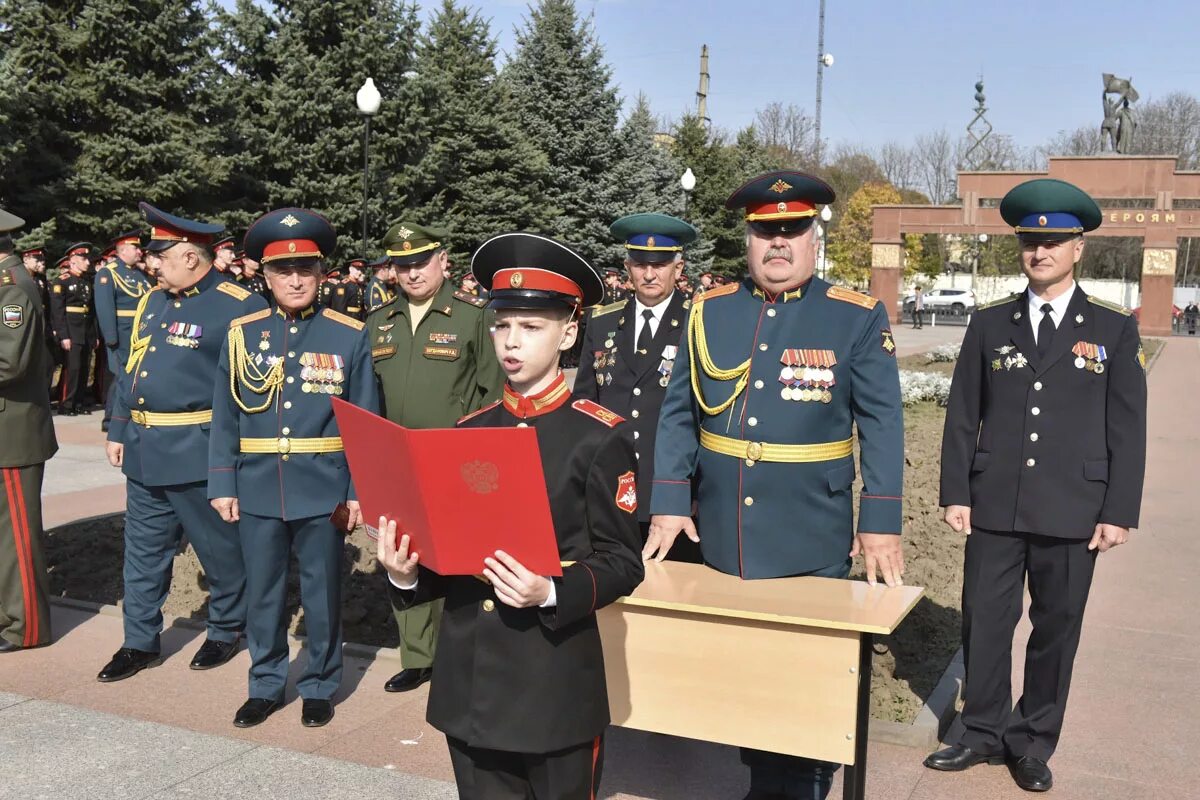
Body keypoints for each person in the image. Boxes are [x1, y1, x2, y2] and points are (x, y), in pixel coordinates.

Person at [648, 170, 905, 800]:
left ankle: (793, 787)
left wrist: (880, 522)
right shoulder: (711, 311)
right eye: (767, 231)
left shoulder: (855, 317)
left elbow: (883, 424)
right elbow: (680, 411)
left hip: (807, 540)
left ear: (815, 236)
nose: (779, 244)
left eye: (793, 230)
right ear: (749, 239)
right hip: (724, 540)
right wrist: (668, 501)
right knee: (743, 685)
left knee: (800, 690)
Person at [377, 230, 644, 800]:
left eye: (532, 327)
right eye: (502, 326)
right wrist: (405, 571)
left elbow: (622, 562)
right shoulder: (469, 432)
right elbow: (450, 551)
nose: (511, 343)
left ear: (568, 331)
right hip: (471, 680)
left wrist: (549, 591)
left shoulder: (597, 437)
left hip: (553, 684)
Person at [927, 178, 1148, 794]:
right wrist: (956, 491)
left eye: (1054, 241)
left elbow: (1127, 428)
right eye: (1031, 241)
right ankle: (981, 732)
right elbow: (962, 412)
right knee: (986, 622)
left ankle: (1032, 741)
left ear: (1079, 248)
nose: (1040, 251)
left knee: (1057, 627)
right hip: (996, 501)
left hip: (1075, 509)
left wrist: (1118, 510)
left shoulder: (1110, 329)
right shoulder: (990, 323)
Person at [208, 208, 379, 729]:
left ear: (322, 274)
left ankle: (320, 684)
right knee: (262, 591)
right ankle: (264, 684)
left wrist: (356, 492)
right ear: (266, 275)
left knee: (323, 591)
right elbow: (225, 414)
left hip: (322, 488)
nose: (296, 279)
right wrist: (222, 481)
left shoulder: (348, 335)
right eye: (284, 271)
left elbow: (365, 421)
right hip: (258, 486)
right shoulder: (241, 334)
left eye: (306, 269)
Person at [98, 202, 269, 683]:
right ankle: (139, 641)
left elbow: (252, 390)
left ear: (191, 257)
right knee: (142, 554)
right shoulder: (155, 299)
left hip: (199, 452)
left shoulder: (239, 305)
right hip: (144, 447)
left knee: (220, 553)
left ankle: (226, 628)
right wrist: (117, 426)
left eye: (162, 256)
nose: (153, 264)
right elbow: (132, 366)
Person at [366, 221, 505, 693]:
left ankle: (463, 650)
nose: (411, 272)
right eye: (402, 265)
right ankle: (418, 655)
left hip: (455, 460)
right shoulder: (378, 322)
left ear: (443, 261)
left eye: (420, 262)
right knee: (404, 558)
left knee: (460, 560)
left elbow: (493, 391)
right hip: (397, 463)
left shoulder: (472, 316)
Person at [574, 212, 700, 561]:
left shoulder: (697, 321)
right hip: (610, 490)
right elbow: (584, 405)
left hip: (671, 493)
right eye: (640, 263)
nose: (649, 274)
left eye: (659, 264)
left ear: (678, 268)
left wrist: (694, 489)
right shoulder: (602, 322)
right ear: (627, 267)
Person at [0, 208, 58, 652]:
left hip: (12, 431)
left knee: (17, 536)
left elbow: (10, 363)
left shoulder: (13, 290)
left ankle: (27, 628)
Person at [94, 230, 152, 433]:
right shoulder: (108, 272)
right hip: (122, 334)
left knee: (133, 377)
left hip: (140, 334)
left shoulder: (140, 274)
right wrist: (111, 338)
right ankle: (111, 418)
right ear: (123, 249)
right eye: (135, 247)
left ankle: (128, 415)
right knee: (120, 377)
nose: (140, 251)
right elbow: (105, 306)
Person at [48, 243, 97, 415]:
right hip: (71, 329)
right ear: (73, 261)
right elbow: (58, 311)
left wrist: (94, 335)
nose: (88, 262)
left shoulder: (86, 280)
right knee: (72, 368)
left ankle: (78, 402)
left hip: (85, 330)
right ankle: (66, 404)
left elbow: (91, 310)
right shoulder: (62, 280)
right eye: (84, 259)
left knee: (84, 368)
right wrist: (63, 336)